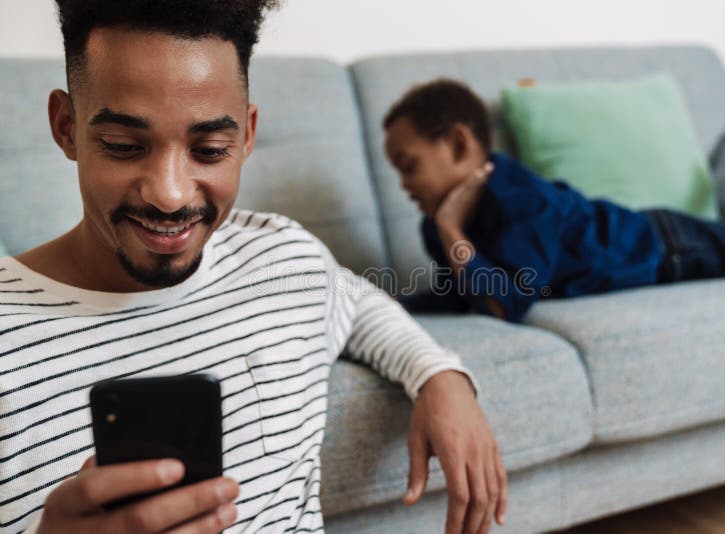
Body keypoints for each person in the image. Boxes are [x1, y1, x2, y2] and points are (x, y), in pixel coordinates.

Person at [0, 4, 508, 534]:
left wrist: (440, 376)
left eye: (209, 150)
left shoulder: (282, 256)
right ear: (66, 128)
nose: (170, 195)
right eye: (124, 147)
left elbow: (358, 303)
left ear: (246, 136)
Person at [383, 78, 725, 323]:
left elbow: (502, 304)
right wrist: (389, 307)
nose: (403, 184)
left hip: (668, 246)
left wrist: (451, 230)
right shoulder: (436, 226)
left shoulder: (520, 200)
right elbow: (462, 294)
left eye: (409, 166)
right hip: (662, 245)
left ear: (459, 144)